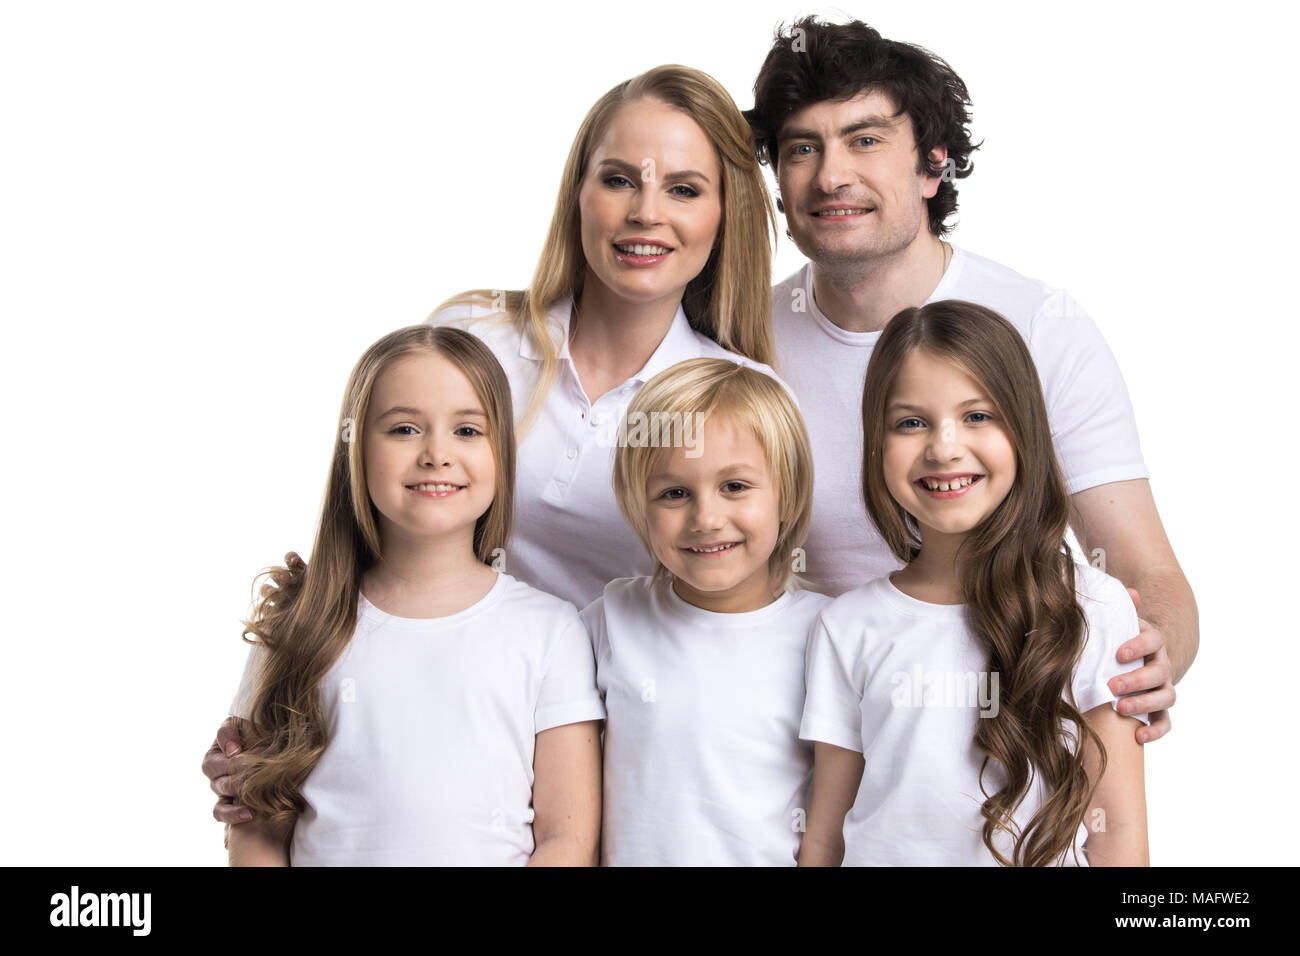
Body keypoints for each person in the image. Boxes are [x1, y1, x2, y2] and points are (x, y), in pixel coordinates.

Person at [204, 64, 789, 827]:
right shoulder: (475, 337)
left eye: (684, 189)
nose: (647, 214)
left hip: (637, 760)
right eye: (618, 180)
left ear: (724, 214)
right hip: (449, 732)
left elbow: (751, 617)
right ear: (578, 193)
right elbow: (367, 522)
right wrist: (271, 712)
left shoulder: (736, 398)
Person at [746, 16, 1193, 740]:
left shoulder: (1038, 324)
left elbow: (1149, 572)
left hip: (1005, 746)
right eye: (802, 148)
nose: (831, 176)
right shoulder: (745, 341)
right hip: (812, 742)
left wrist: (1151, 656)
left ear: (932, 164)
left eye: (865, 140)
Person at [226, 324, 604, 865]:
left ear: (502, 450)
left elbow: (566, 840)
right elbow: (256, 828)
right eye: (404, 429)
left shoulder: (550, 630)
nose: (436, 454)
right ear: (355, 448)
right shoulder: (300, 624)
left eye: (468, 431)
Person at [798, 301, 1148, 866]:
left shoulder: (1095, 607)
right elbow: (826, 835)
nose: (943, 447)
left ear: (1024, 431)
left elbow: (1119, 832)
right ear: (876, 444)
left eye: (977, 416)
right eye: (910, 422)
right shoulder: (846, 625)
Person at [584, 358, 830, 865]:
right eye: (674, 493)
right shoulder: (607, 621)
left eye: (735, 486)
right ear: (639, 506)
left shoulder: (829, 635)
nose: (707, 518)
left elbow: (835, 817)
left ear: (788, 494)